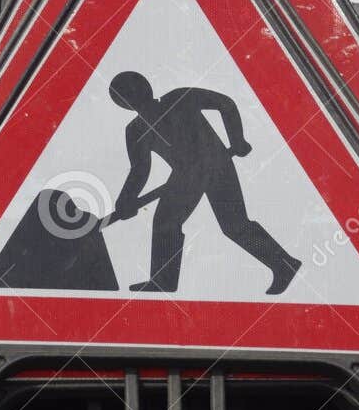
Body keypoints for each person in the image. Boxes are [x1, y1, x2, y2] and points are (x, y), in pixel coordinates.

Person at [105, 73, 301, 295]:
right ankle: (163, 281)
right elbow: (140, 169)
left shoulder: (179, 99)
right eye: (127, 95)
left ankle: (284, 265)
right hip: (185, 176)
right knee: (168, 223)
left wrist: (237, 139)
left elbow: (225, 104)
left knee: (231, 224)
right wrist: (125, 199)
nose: (134, 97)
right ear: (123, 104)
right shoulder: (136, 130)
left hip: (216, 163)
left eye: (133, 91)